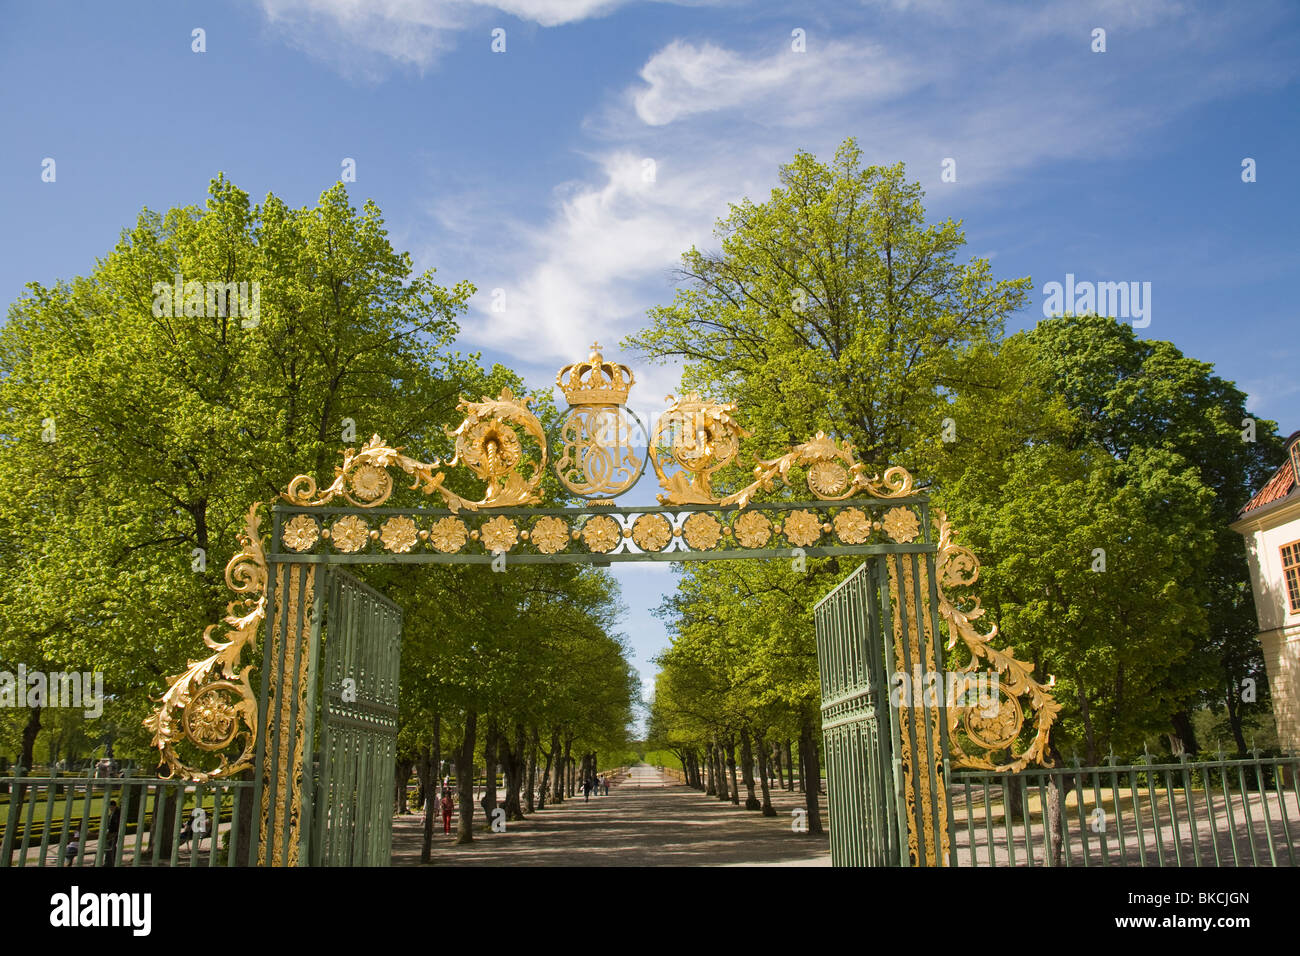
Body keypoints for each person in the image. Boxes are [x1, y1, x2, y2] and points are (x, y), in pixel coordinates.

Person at [102, 800, 121, 867]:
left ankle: (110, 862)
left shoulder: (117, 813)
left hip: (113, 833)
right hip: (111, 833)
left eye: (111, 807)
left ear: (114, 806)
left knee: (110, 847)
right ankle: (109, 861)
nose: (110, 808)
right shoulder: (113, 813)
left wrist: (111, 831)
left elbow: (116, 824)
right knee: (110, 847)